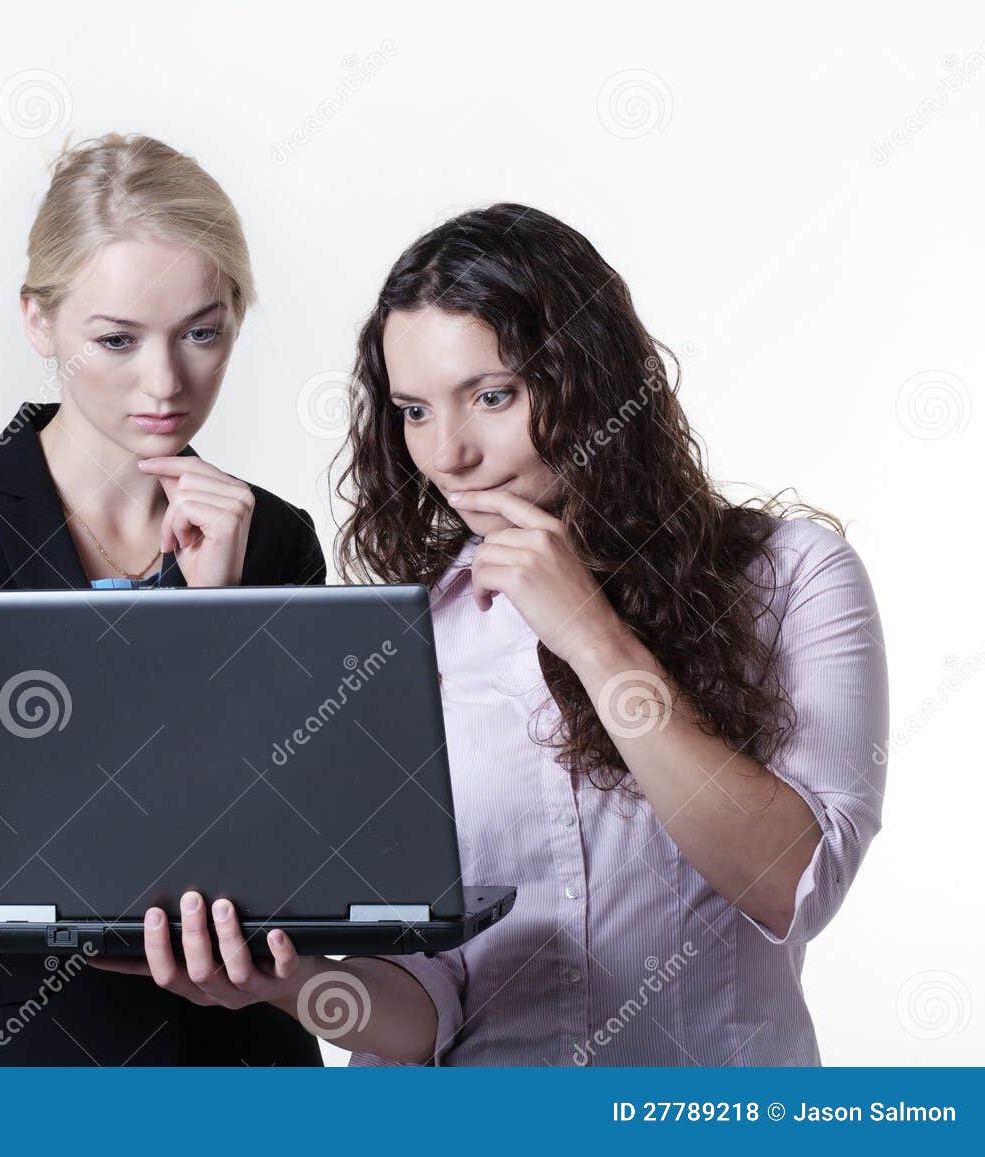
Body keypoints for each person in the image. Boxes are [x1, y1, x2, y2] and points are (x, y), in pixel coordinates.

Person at [96, 203, 888, 1066]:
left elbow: (792, 886)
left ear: (593, 376)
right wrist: (279, 982)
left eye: (492, 396)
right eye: (415, 411)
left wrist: (589, 632)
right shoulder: (409, 631)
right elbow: (427, 1008)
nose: (450, 454)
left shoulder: (792, 577)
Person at [0, 133, 326, 1066]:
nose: (165, 382)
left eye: (202, 331)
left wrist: (210, 616)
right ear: (39, 321)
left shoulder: (274, 537)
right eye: (116, 339)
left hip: (236, 1056)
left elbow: (295, 858)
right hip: (0, 1052)